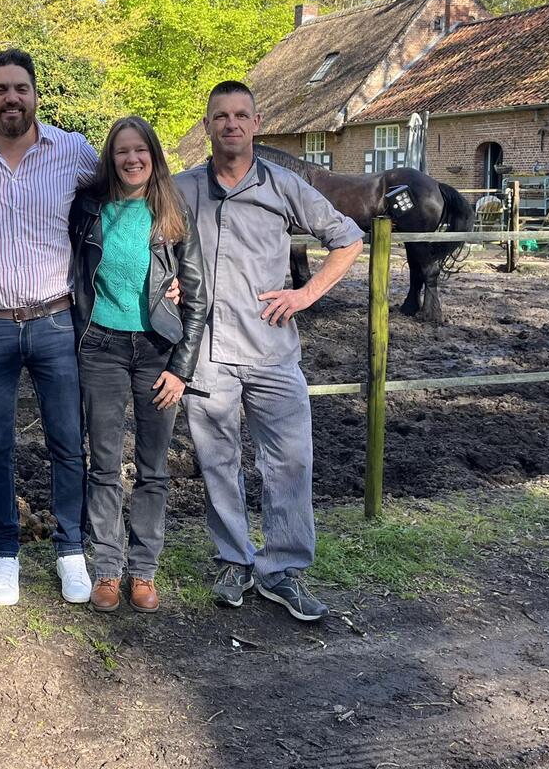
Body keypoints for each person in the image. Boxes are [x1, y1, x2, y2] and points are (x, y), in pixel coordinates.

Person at [174, 82, 364, 623]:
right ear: (207, 125)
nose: (231, 124)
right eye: (220, 116)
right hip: (208, 353)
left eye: (241, 115)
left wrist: (305, 295)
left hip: (273, 351)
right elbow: (150, 244)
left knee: (290, 460)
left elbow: (348, 238)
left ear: (256, 123)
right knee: (217, 461)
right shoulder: (182, 189)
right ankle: (234, 560)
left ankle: (282, 569)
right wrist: (167, 283)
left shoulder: (283, 186)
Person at [0, 49, 100, 606]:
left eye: (20, 88)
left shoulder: (72, 150)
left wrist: (167, 269)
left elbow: (133, 192)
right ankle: (4, 553)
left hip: (55, 321)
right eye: (0, 89)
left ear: (35, 94)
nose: (11, 98)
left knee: (67, 440)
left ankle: (70, 549)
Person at [69, 116, 208, 614]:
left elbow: (197, 297)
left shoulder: (172, 212)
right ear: (111, 158)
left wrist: (181, 369)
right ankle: (108, 568)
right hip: (100, 348)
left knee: (153, 468)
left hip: (157, 351)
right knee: (104, 464)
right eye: (122, 151)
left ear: (154, 155)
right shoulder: (88, 208)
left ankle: (143, 570)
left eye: (140, 150)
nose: (131, 159)